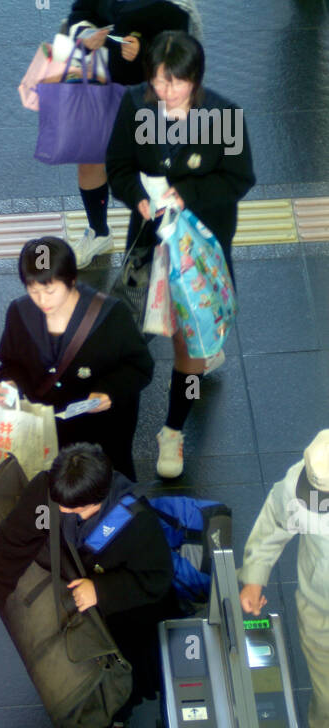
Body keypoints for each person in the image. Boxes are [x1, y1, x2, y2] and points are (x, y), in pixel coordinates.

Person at [0, 444, 175, 728]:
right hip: (70, 600)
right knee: (68, 677)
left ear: (98, 500)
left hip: (122, 618)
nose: (60, 511)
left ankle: (117, 723)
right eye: (58, 503)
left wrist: (101, 590)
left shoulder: (135, 519)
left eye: (73, 508)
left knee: (121, 677)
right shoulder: (50, 492)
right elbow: (13, 543)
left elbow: (156, 577)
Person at [106, 30, 255, 478]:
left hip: (197, 252)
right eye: (159, 81)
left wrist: (185, 193)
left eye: (177, 82)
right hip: (148, 243)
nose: (166, 93)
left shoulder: (224, 117)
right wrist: (139, 197)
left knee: (188, 347)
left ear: (196, 79)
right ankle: (115, 428)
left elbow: (238, 179)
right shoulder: (135, 106)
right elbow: (118, 167)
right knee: (127, 335)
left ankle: (172, 430)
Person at [0, 237, 153, 479]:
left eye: (50, 290)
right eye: (33, 290)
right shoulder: (20, 313)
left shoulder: (110, 315)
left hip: (101, 429)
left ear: (72, 280)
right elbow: (10, 363)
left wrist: (110, 391)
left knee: (100, 489)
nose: (42, 300)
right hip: (46, 428)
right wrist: (9, 384)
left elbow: (140, 366)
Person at [61, 0, 202, 269]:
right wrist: (85, 34)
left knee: (154, 170)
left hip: (150, 92)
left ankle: (166, 236)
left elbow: (183, 49)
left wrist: (145, 50)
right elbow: (80, 13)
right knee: (89, 160)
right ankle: (99, 232)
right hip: (101, 80)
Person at [239, 430, 329, 728]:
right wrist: (255, 576)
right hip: (321, 610)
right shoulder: (301, 485)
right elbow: (275, 521)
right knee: (328, 706)